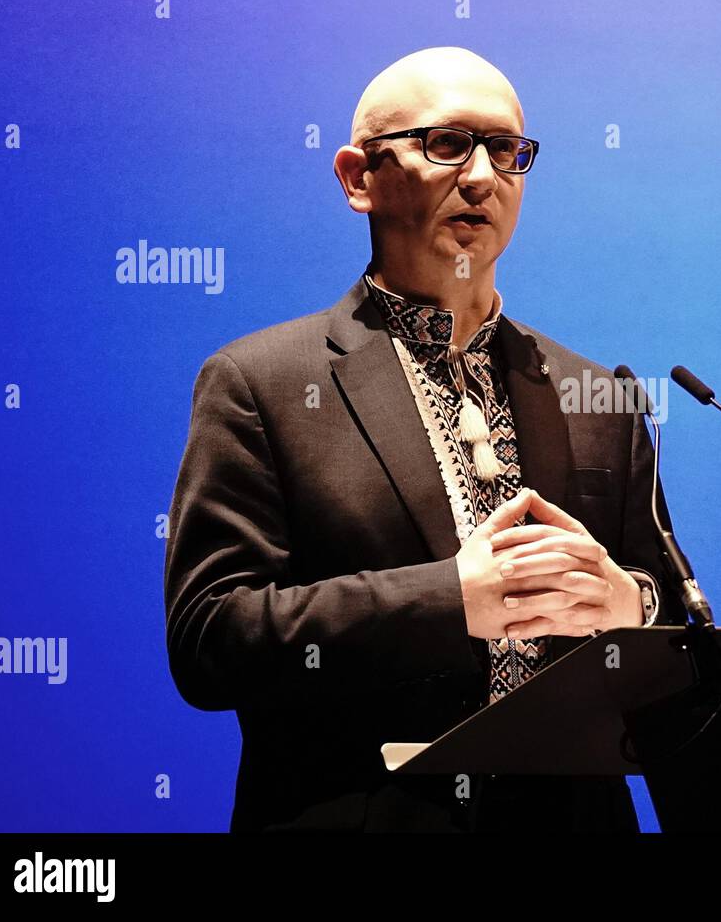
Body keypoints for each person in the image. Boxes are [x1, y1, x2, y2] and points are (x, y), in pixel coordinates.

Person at [163, 46, 686, 832]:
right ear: (357, 177)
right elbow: (211, 638)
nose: (482, 176)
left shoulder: (597, 394)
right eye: (447, 144)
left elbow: (683, 620)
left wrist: (632, 606)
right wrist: (452, 601)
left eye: (506, 151)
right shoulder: (260, 382)